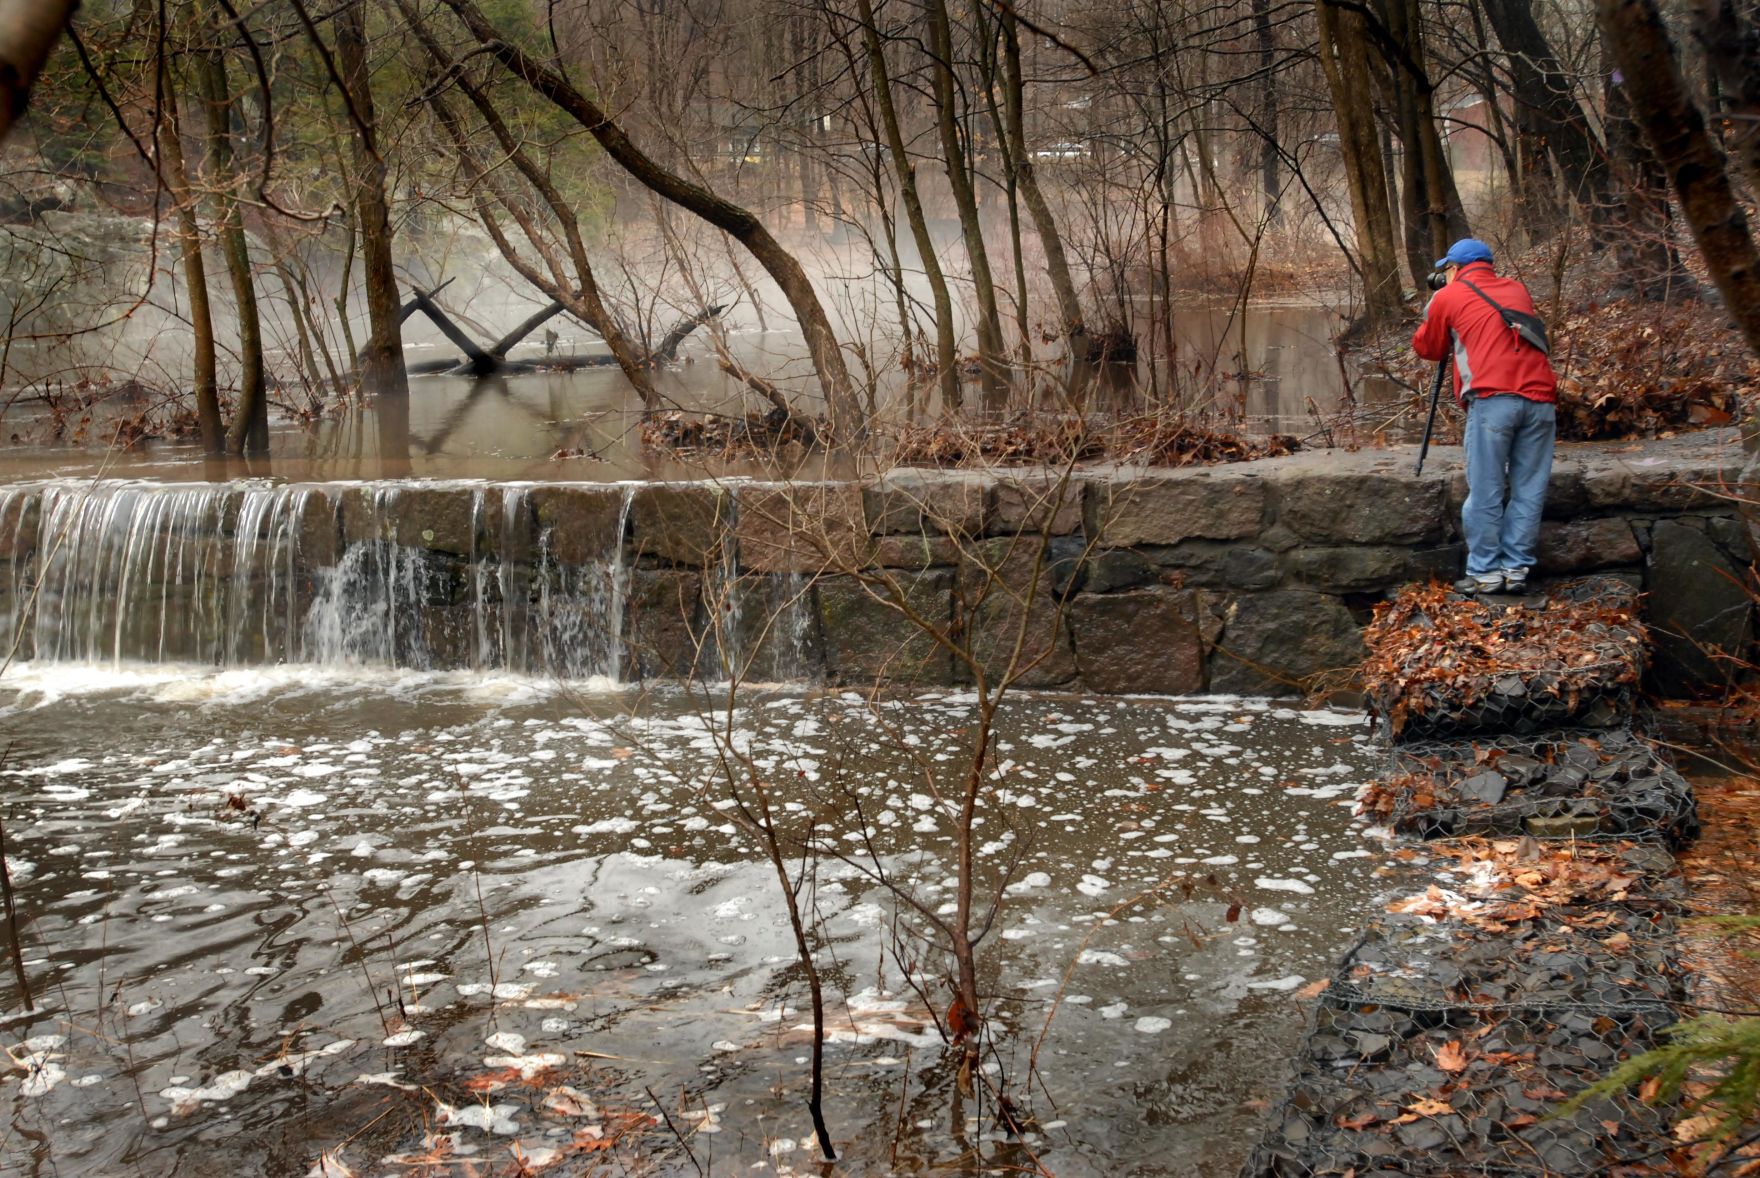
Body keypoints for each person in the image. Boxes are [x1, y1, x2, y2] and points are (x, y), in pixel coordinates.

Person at [1412, 238, 1559, 596]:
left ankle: (1484, 573)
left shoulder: (1448, 296)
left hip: (1493, 400)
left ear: (1455, 268)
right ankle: (1516, 569)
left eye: (1446, 269)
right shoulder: (1516, 289)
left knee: (1486, 489)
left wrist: (1435, 305)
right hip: (1540, 400)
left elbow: (1427, 347)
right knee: (1529, 489)